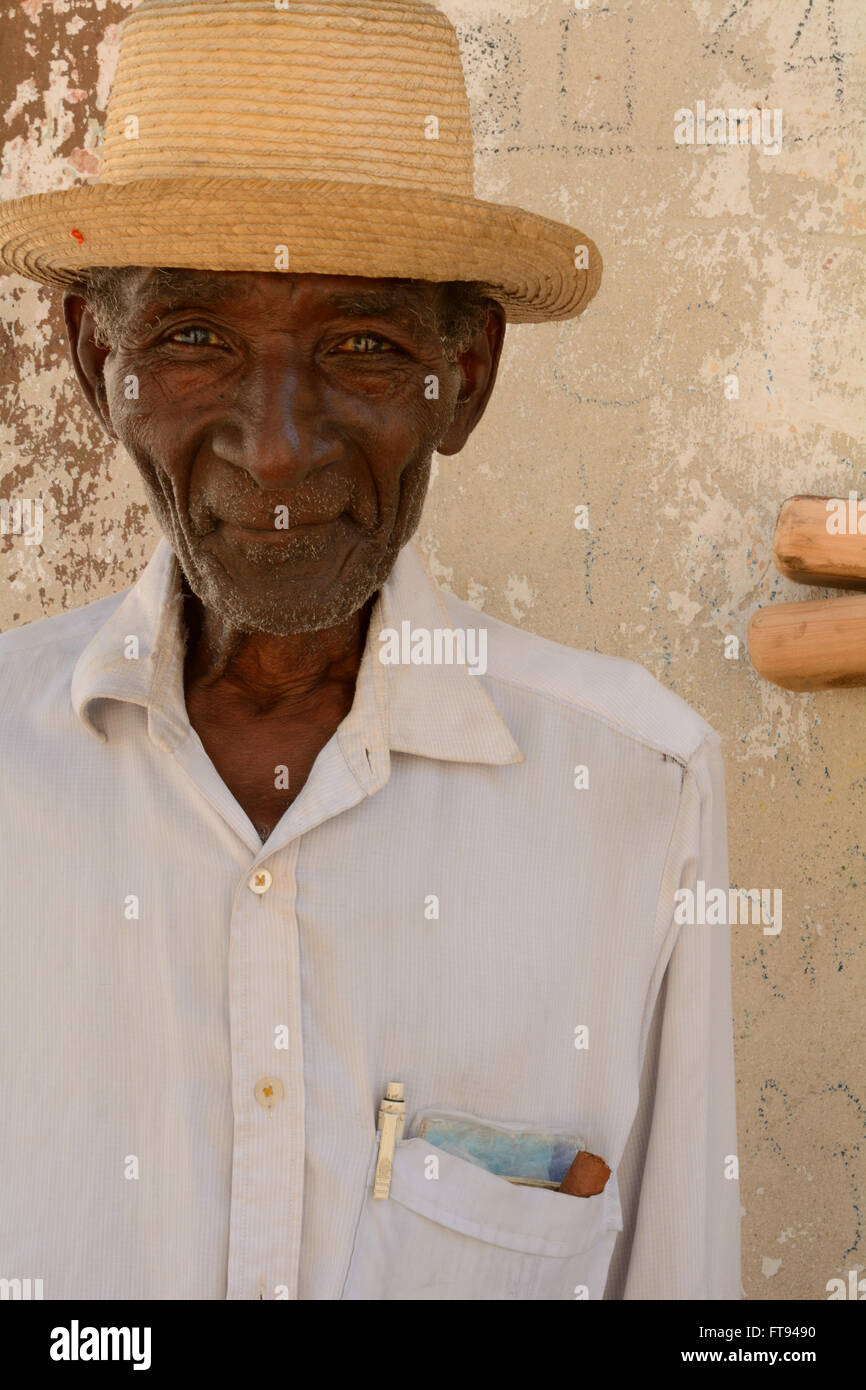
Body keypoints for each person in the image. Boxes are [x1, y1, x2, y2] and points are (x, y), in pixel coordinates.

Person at [0, 0, 740, 1300]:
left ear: (466, 377)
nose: (275, 449)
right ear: (89, 361)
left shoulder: (636, 785)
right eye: (191, 339)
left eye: (362, 347)